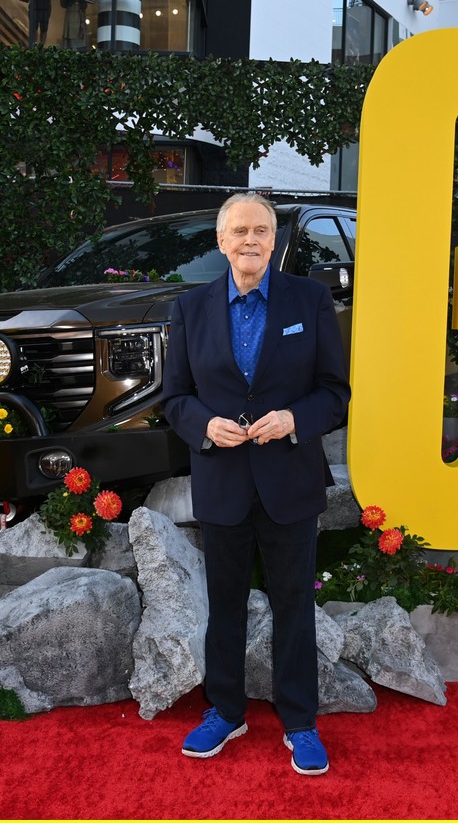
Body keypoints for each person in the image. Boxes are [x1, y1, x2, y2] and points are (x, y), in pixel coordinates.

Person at [162, 192, 351, 776]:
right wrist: (204, 424)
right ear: (221, 241)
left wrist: (295, 418)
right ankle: (225, 711)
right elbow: (175, 398)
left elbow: (335, 393)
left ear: (274, 240)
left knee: (294, 603)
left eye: (261, 230)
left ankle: (300, 722)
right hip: (221, 481)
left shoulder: (309, 299)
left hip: (289, 479)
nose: (251, 239)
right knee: (225, 604)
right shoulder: (189, 309)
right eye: (240, 230)